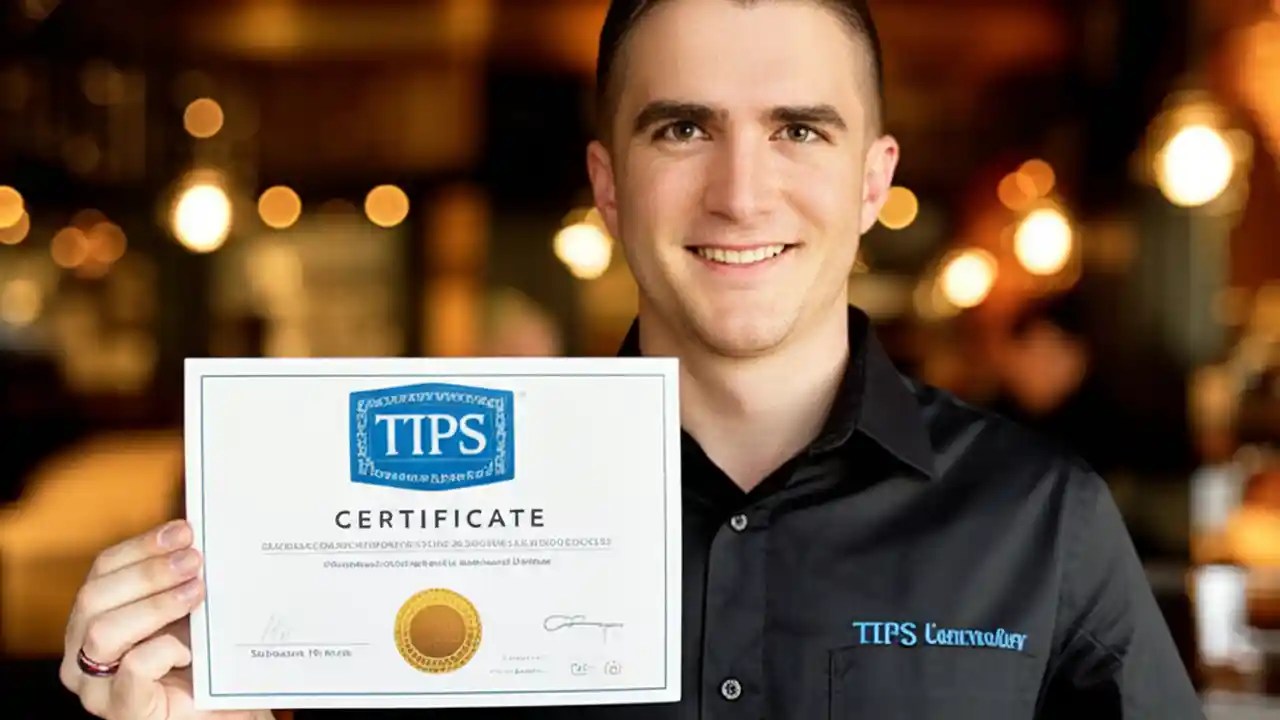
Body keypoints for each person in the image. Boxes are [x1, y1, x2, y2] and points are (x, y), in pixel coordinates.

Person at [60, 0, 1206, 718]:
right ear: (608, 183)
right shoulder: (402, 534)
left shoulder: (1041, 521)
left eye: (798, 129)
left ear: (872, 180)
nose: (741, 190)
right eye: (682, 127)